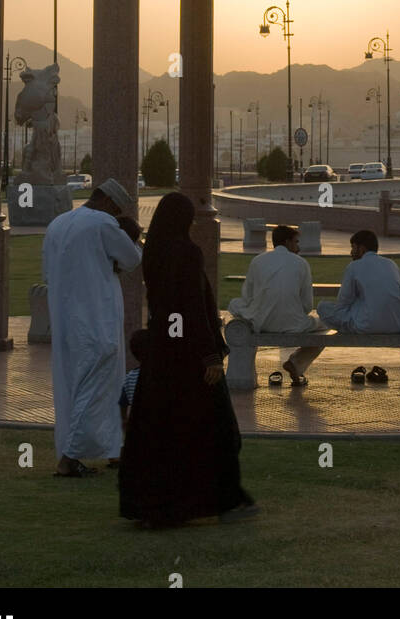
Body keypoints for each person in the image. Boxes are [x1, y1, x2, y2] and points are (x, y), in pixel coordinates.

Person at [119, 192, 257, 528]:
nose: (195, 221)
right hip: (189, 355)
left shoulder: (153, 252)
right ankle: (225, 500)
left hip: (163, 351)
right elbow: (192, 306)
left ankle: (158, 505)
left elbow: (170, 310)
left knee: (162, 429)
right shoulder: (187, 252)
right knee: (219, 429)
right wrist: (209, 355)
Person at [42, 178, 142, 478]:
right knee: (95, 385)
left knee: (77, 387)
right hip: (96, 321)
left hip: (64, 321)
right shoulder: (102, 224)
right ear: (110, 203)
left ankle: (111, 451)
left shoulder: (58, 223)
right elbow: (132, 258)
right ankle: (69, 458)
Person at [228, 224, 325, 387]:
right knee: (327, 321)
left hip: (259, 322)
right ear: (287, 242)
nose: (298, 247)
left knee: (234, 304)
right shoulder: (301, 263)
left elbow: (247, 297)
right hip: (293, 324)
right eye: (296, 242)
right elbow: (307, 306)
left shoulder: (258, 260)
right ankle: (297, 363)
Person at [317, 230, 400, 333]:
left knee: (323, 307)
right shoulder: (391, 264)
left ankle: (348, 328)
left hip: (368, 325)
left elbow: (343, 303)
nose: (351, 252)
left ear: (362, 249)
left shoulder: (354, 267)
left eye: (353, 248)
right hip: (399, 324)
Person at [118, 328, 150, 432]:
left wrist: (124, 420)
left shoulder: (130, 377)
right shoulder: (158, 376)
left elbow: (123, 403)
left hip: (139, 427)